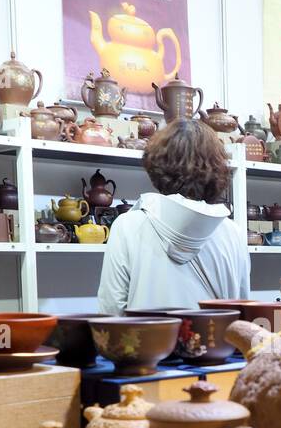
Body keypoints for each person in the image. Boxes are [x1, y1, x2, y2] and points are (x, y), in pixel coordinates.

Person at [97, 120, 249, 314]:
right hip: (215, 342)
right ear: (217, 168)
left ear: (158, 165)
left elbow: (111, 309)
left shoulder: (128, 226)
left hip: (148, 342)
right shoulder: (233, 233)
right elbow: (243, 309)